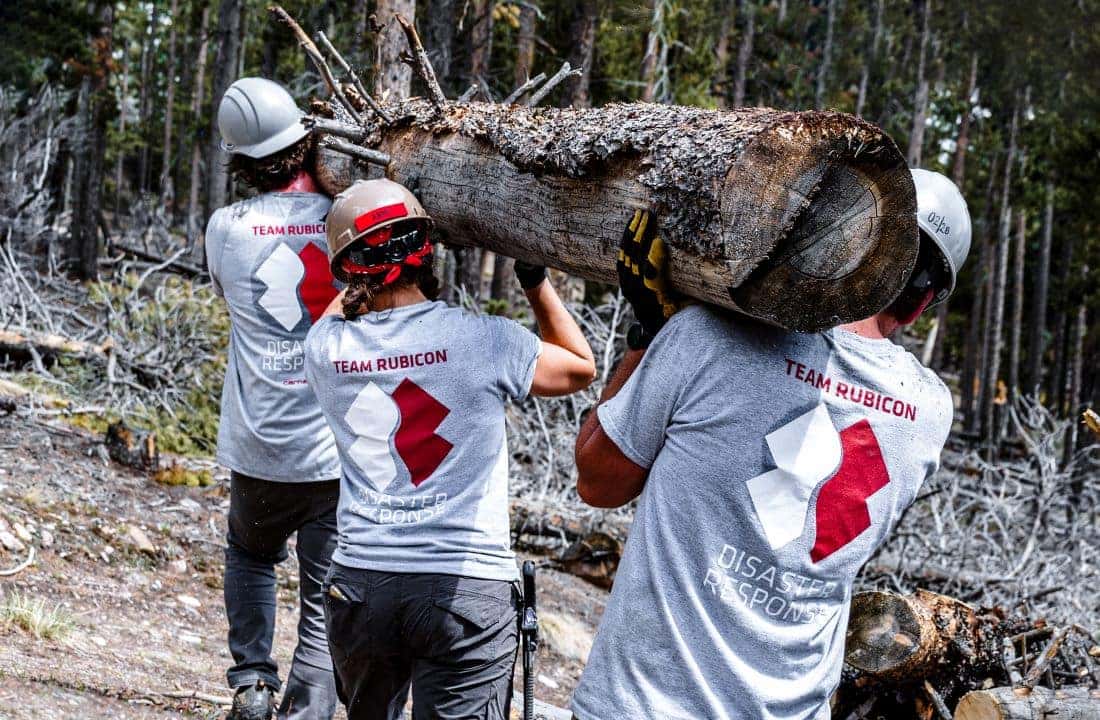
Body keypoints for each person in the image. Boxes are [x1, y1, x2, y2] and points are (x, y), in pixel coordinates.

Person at [570, 169, 971, 720]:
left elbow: (597, 481)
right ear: (922, 304)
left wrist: (649, 335)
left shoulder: (709, 337)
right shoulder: (929, 412)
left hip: (643, 705)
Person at [302, 178, 597, 720]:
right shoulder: (485, 341)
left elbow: (334, 314)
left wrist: (357, 282)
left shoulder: (324, 352)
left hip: (362, 585)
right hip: (466, 591)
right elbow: (580, 365)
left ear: (349, 270)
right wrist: (533, 281)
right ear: (425, 252)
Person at [207, 77, 342, 720]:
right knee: (323, 593)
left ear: (240, 159)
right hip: (334, 450)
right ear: (304, 142)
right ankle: (311, 705)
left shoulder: (225, 230)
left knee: (251, 554)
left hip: (258, 440)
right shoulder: (345, 219)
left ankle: (253, 681)